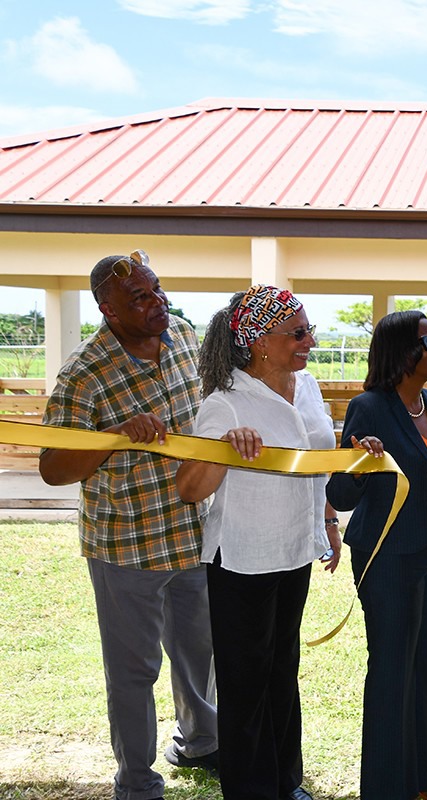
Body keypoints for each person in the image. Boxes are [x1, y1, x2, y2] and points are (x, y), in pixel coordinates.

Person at [40, 249, 219, 800]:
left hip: (192, 533)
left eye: (157, 289)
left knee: (199, 654)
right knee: (134, 671)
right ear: (108, 309)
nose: (156, 303)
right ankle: (137, 780)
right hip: (126, 546)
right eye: (139, 297)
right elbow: (52, 468)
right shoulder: (84, 374)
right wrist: (116, 434)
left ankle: (201, 743)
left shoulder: (186, 337)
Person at [176, 285, 342, 800]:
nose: (309, 340)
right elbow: (188, 489)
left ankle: (285, 782)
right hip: (243, 559)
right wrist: (224, 452)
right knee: (246, 686)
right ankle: (250, 790)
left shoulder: (308, 386)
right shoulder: (225, 404)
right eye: (297, 332)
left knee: (281, 673)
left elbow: (316, 459)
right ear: (259, 342)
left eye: (308, 330)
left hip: (296, 550)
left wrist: (329, 520)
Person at [326, 310, 427, 800]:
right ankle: (388, 787)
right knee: (393, 670)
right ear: (400, 351)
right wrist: (358, 463)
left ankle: (424, 781)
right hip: (388, 558)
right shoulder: (369, 408)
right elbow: (342, 496)